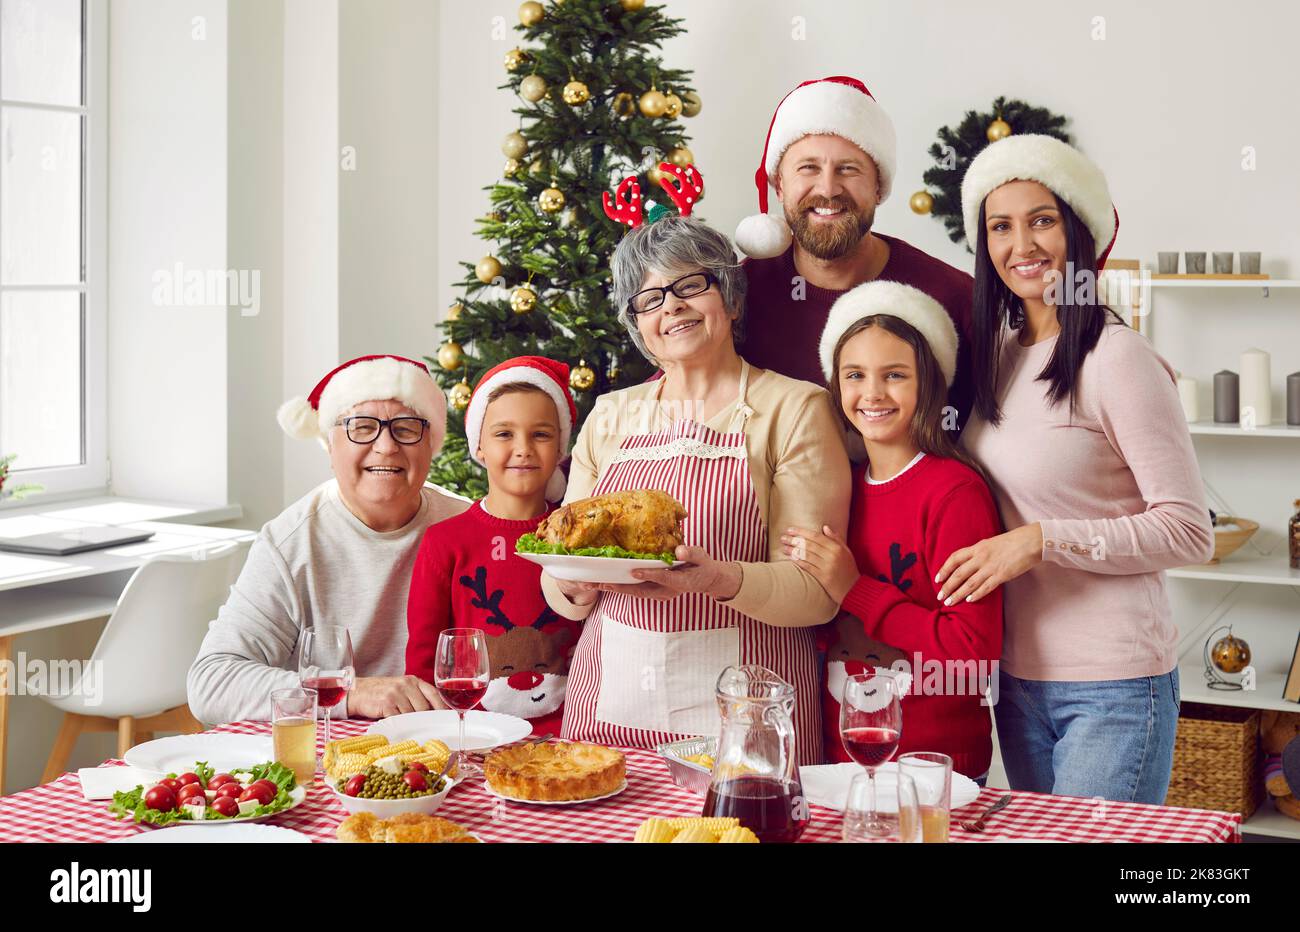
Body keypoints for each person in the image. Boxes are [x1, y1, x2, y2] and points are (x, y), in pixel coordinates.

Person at [947, 135, 1214, 803]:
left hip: (1114, 685)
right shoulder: (998, 356)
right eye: (1000, 226)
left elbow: (1188, 530)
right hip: (1017, 679)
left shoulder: (1116, 357)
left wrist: (1042, 541)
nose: (1022, 245)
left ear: (1078, 231)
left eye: (1042, 220)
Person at [541, 216, 851, 764]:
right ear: (638, 324)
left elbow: (817, 594)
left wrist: (718, 579)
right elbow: (556, 568)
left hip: (750, 714)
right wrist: (578, 588)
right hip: (608, 711)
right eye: (651, 297)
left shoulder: (793, 409)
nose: (672, 307)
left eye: (691, 286)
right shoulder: (612, 414)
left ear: (729, 299)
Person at [780, 281, 1003, 781]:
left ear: (930, 382)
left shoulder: (954, 493)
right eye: (855, 375)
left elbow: (972, 653)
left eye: (895, 375)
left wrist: (855, 590)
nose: (873, 393)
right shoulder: (837, 486)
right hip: (835, 761)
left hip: (933, 769)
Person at [187, 354, 470, 723]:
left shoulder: (466, 524)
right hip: (325, 754)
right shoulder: (289, 543)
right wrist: (353, 692)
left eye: (406, 427)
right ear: (330, 445)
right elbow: (212, 682)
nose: (386, 446)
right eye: (362, 427)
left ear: (430, 444)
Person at [734, 75, 975, 429]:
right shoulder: (737, 297)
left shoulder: (952, 296)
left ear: (878, 187)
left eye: (848, 169)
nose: (828, 189)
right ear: (779, 185)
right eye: (808, 168)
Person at [406, 356, 580, 736]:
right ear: (479, 446)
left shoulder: (577, 537)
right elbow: (424, 654)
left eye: (541, 434)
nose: (523, 449)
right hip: (473, 735)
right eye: (504, 434)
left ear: (561, 448)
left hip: (568, 735)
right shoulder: (444, 542)